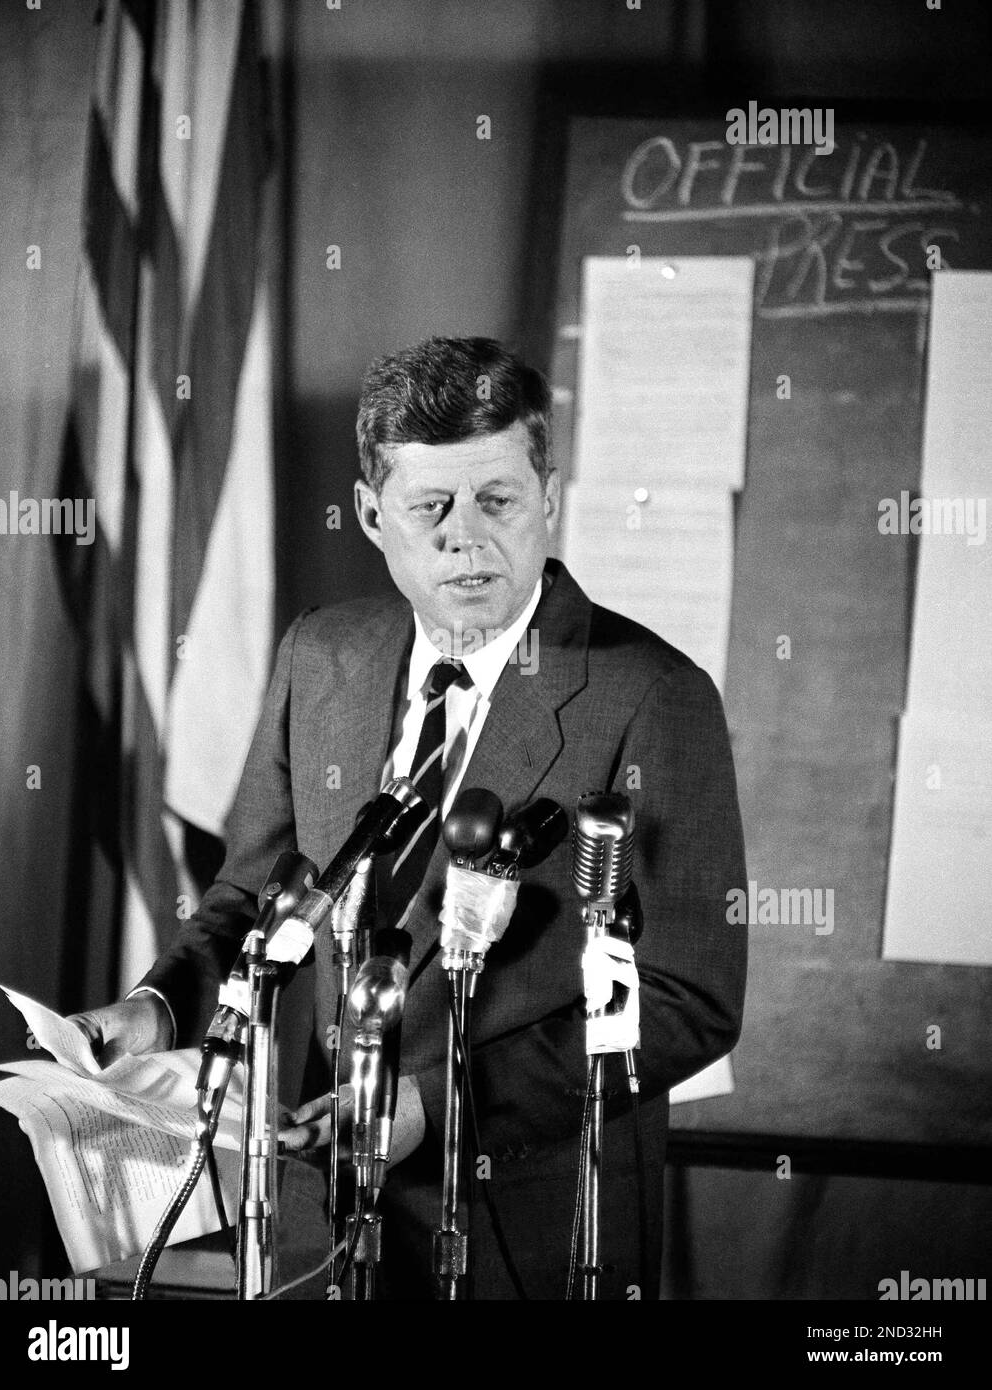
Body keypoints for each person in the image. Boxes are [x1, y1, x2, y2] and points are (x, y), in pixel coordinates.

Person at [71, 336, 747, 1299]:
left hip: (535, 1225)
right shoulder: (322, 653)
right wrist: (157, 1008)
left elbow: (690, 1000)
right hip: (313, 1211)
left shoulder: (654, 695)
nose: (465, 538)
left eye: (498, 501)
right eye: (430, 507)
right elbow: (255, 895)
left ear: (549, 497)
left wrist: (436, 1105)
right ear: (372, 516)